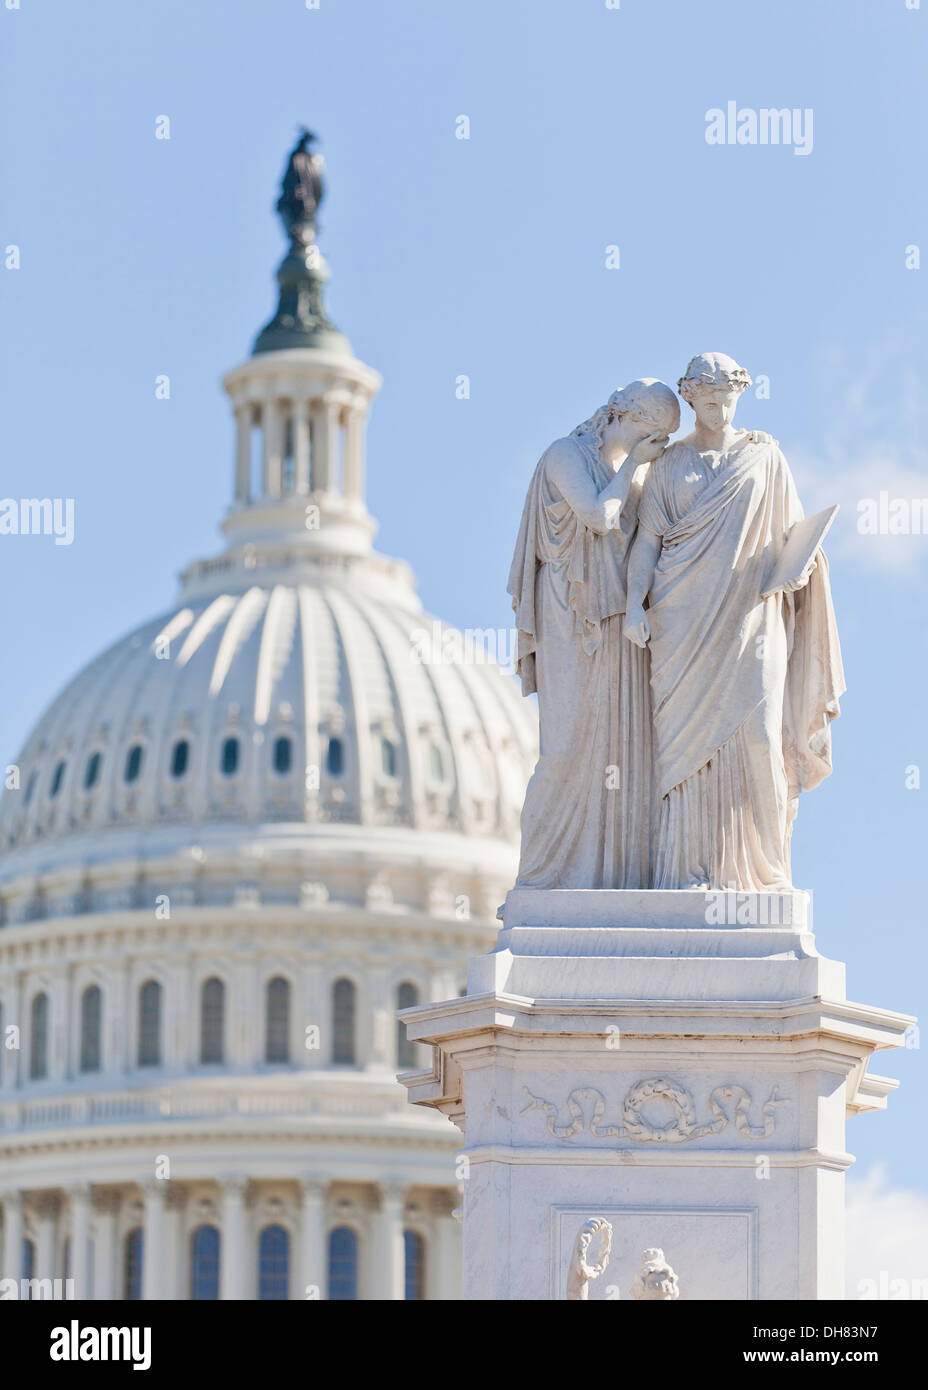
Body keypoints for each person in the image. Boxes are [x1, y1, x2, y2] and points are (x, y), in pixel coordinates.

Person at [623, 352, 845, 891]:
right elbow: (647, 541)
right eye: (708, 403)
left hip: (753, 616)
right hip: (679, 622)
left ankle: (762, 873)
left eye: (727, 402)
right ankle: (685, 871)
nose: (719, 412)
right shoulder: (669, 465)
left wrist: (803, 568)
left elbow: (794, 536)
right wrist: (632, 604)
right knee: (681, 750)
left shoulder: (765, 458)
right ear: (692, 402)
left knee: (760, 734)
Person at [509, 379, 680, 888]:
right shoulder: (566, 454)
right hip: (569, 609)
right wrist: (633, 466)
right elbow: (600, 517)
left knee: (622, 747)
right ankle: (541, 877)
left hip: (617, 622)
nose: (658, 448)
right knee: (564, 747)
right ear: (623, 417)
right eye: (653, 434)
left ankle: (613, 876)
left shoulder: (636, 477)